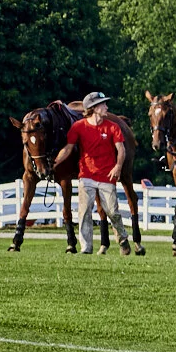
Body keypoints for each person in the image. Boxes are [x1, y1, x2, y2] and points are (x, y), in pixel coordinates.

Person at [57, 93, 131, 256]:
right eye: (103, 104)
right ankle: (86, 247)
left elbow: (121, 149)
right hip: (86, 176)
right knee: (84, 212)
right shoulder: (78, 127)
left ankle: (123, 238)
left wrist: (118, 167)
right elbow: (68, 148)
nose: (106, 107)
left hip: (107, 177)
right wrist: (54, 163)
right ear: (94, 108)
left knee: (113, 212)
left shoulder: (112, 127)